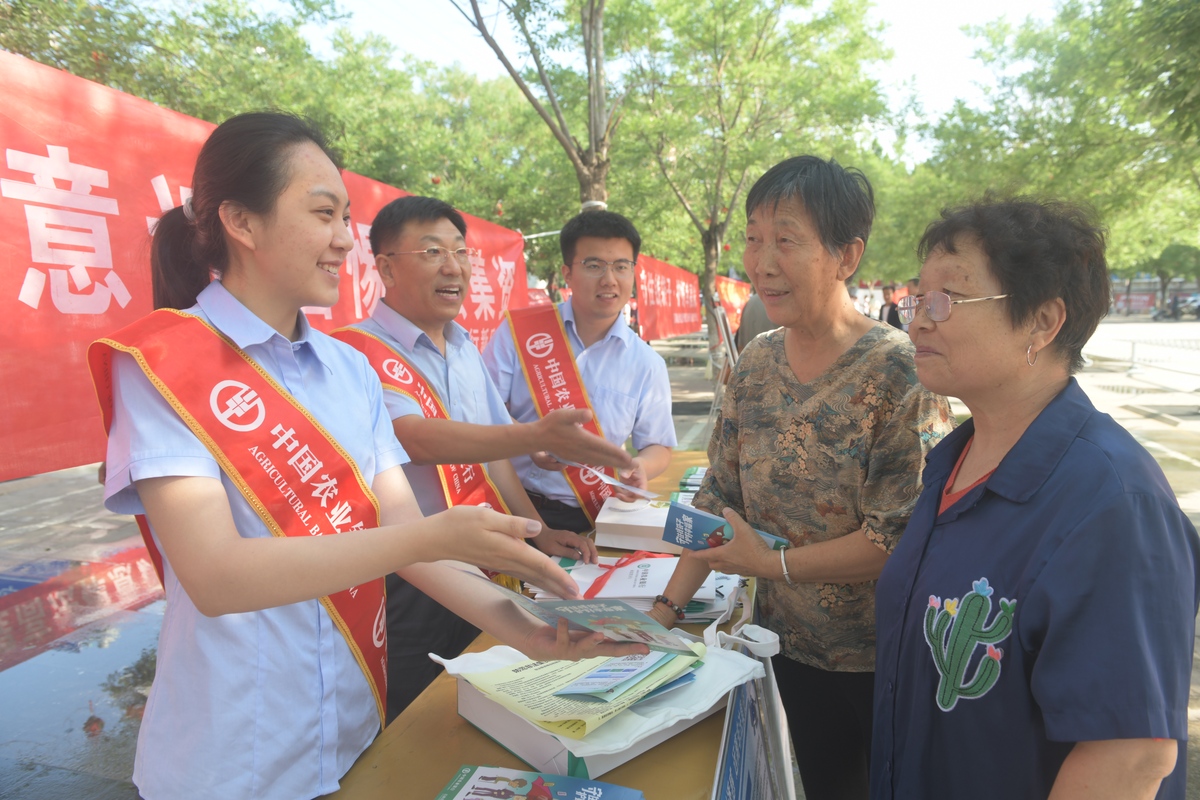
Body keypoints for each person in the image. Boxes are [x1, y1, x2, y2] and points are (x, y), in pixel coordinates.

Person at [90, 112, 645, 800]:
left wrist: (535, 634)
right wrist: (429, 535)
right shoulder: (164, 364)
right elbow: (215, 575)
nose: (343, 240)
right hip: (231, 752)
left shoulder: (346, 371)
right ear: (242, 221)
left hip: (350, 732)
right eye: (323, 215)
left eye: (346, 218)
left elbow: (411, 543)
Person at [647, 155, 954, 800]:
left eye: (786, 239)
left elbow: (900, 539)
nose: (762, 261)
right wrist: (663, 613)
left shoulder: (900, 374)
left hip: (882, 662)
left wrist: (773, 565)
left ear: (846, 256)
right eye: (754, 239)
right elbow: (718, 500)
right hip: (783, 649)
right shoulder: (755, 363)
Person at [872, 198, 1200, 799]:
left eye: (948, 299)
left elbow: (1129, 758)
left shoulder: (1112, 505)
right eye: (919, 299)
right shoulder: (952, 462)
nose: (917, 321)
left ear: (1043, 322)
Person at [336, 195, 631, 719]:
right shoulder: (357, 351)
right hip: (410, 572)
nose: (454, 267)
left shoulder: (464, 346)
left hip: (483, 560)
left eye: (461, 251)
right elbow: (418, 439)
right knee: (414, 709)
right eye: (432, 252)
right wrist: (533, 436)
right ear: (384, 267)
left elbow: (497, 451)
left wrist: (537, 530)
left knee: (480, 692)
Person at [483, 210, 677, 533]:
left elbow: (658, 446)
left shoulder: (647, 363)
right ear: (567, 273)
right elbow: (483, 408)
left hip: (587, 518)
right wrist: (526, 440)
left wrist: (640, 467)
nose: (609, 279)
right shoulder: (519, 332)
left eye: (621, 266)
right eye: (594, 265)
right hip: (505, 503)